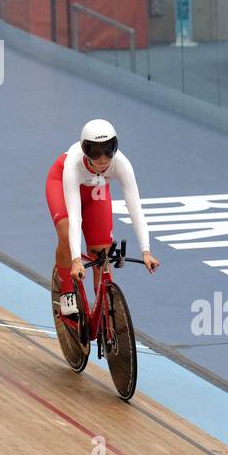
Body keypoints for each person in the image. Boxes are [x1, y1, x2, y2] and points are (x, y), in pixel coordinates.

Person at [47, 119, 160, 317]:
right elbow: (75, 217)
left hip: (95, 192)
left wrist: (146, 251)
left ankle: (104, 309)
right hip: (62, 184)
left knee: (102, 252)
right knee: (65, 233)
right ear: (84, 150)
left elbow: (135, 208)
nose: (102, 159)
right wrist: (75, 259)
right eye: (95, 152)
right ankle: (67, 292)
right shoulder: (73, 164)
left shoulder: (121, 163)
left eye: (108, 150)